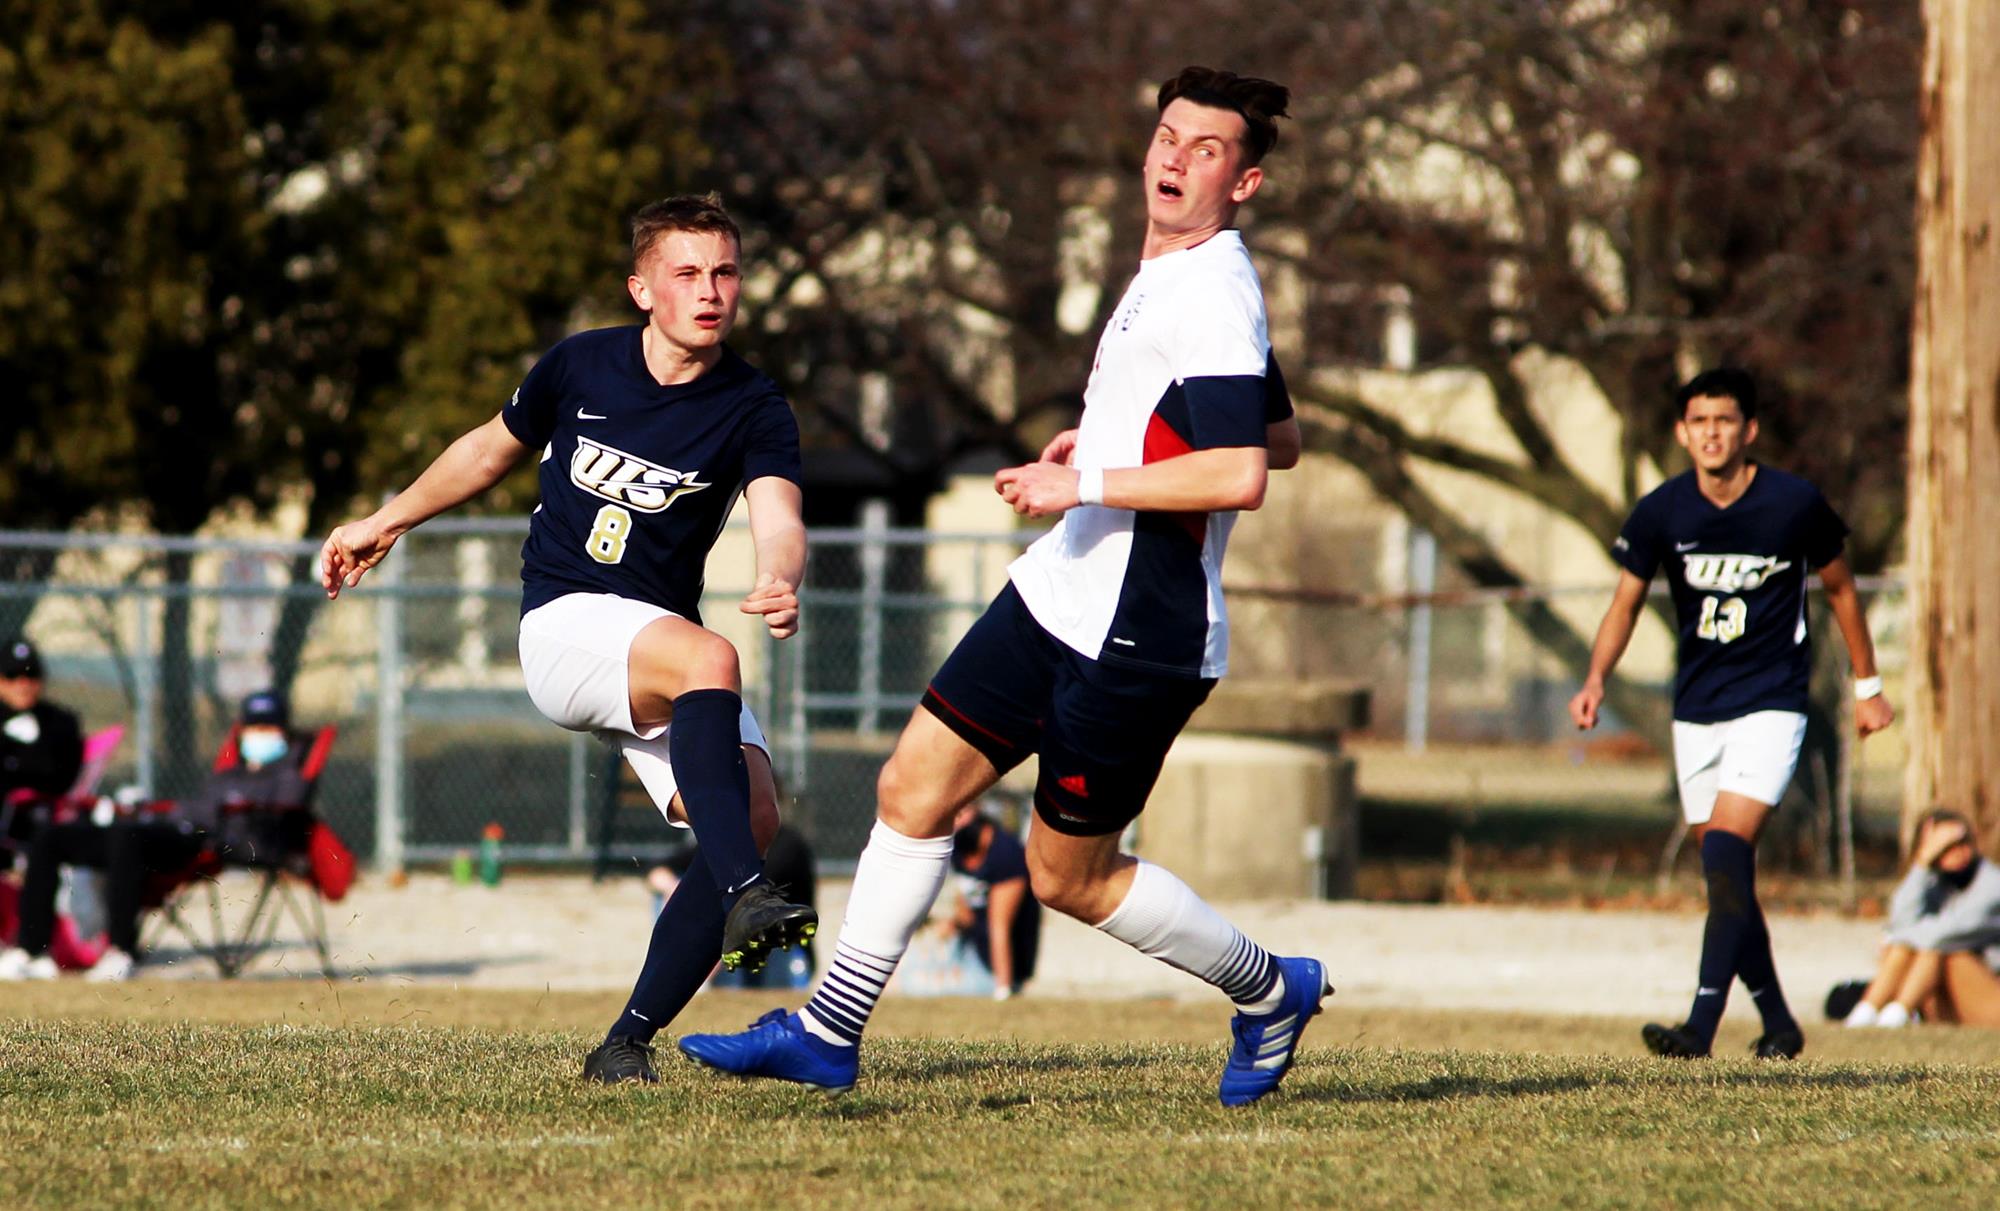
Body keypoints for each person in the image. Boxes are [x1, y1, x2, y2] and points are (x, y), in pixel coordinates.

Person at [678, 67, 1323, 1107]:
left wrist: (1086, 477)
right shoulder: (1167, 268)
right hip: (1059, 587)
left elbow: (1242, 474)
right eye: (1166, 135)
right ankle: (826, 1032)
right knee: (911, 786)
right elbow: (1277, 435)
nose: (1172, 158)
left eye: (1204, 150)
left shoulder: (1214, 291)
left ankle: (1268, 988)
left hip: (1138, 632)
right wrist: (1113, 441)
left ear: (1242, 181)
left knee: (1067, 875)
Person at [318, 193, 814, 1086]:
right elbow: (485, 451)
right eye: (687, 272)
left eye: (726, 271)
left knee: (755, 816)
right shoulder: (582, 365)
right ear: (641, 288)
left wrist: (782, 571)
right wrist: (384, 521)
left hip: (650, 645)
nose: (711, 291)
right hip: (562, 625)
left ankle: (622, 1044)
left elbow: (779, 513)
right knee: (715, 663)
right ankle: (747, 897)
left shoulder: (752, 402)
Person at [1569, 367, 1895, 1061]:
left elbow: (1840, 589)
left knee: (1725, 850)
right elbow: (1624, 603)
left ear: (1748, 430)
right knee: (1727, 878)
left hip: (1773, 702)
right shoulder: (1663, 511)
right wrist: (1596, 677)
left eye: (1725, 421)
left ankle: (1699, 1026)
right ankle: (1779, 1021)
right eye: (1699, 422)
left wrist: (1868, 686)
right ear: (1683, 432)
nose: (1712, 433)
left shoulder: (1793, 503)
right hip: (1697, 710)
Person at [0, 689, 312, 982]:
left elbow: (269, 821)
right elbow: (193, 807)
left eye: (269, 727)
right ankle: (31, 951)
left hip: (205, 842)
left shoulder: (288, 778)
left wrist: (222, 813)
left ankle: (121, 950)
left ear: (284, 731)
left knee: (127, 838)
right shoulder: (228, 775)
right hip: (173, 828)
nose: (260, 734)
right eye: (253, 726)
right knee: (52, 837)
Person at [1836, 808, 2000, 1029]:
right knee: (1907, 947)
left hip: (1989, 991)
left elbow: (1943, 934)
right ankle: (1868, 1012)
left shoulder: (1993, 886)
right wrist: (1922, 864)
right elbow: (1900, 918)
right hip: (1948, 996)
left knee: (1938, 950)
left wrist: (1894, 937)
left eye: (1963, 842)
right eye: (1945, 847)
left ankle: (1897, 1013)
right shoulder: (1934, 883)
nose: (1959, 852)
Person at [944, 802, 1041, 999]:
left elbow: (999, 926)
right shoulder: (959, 848)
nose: (955, 821)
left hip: (1004, 958)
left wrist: (1002, 988)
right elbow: (964, 903)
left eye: (961, 814)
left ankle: (1004, 987)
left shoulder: (1006, 853)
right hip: (976, 948)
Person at [0, 637, 84, 847]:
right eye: (13, 675)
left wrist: (16, 764)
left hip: (43, 823)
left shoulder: (60, 722)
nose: (23, 684)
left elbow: (60, 774)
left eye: (31, 675)